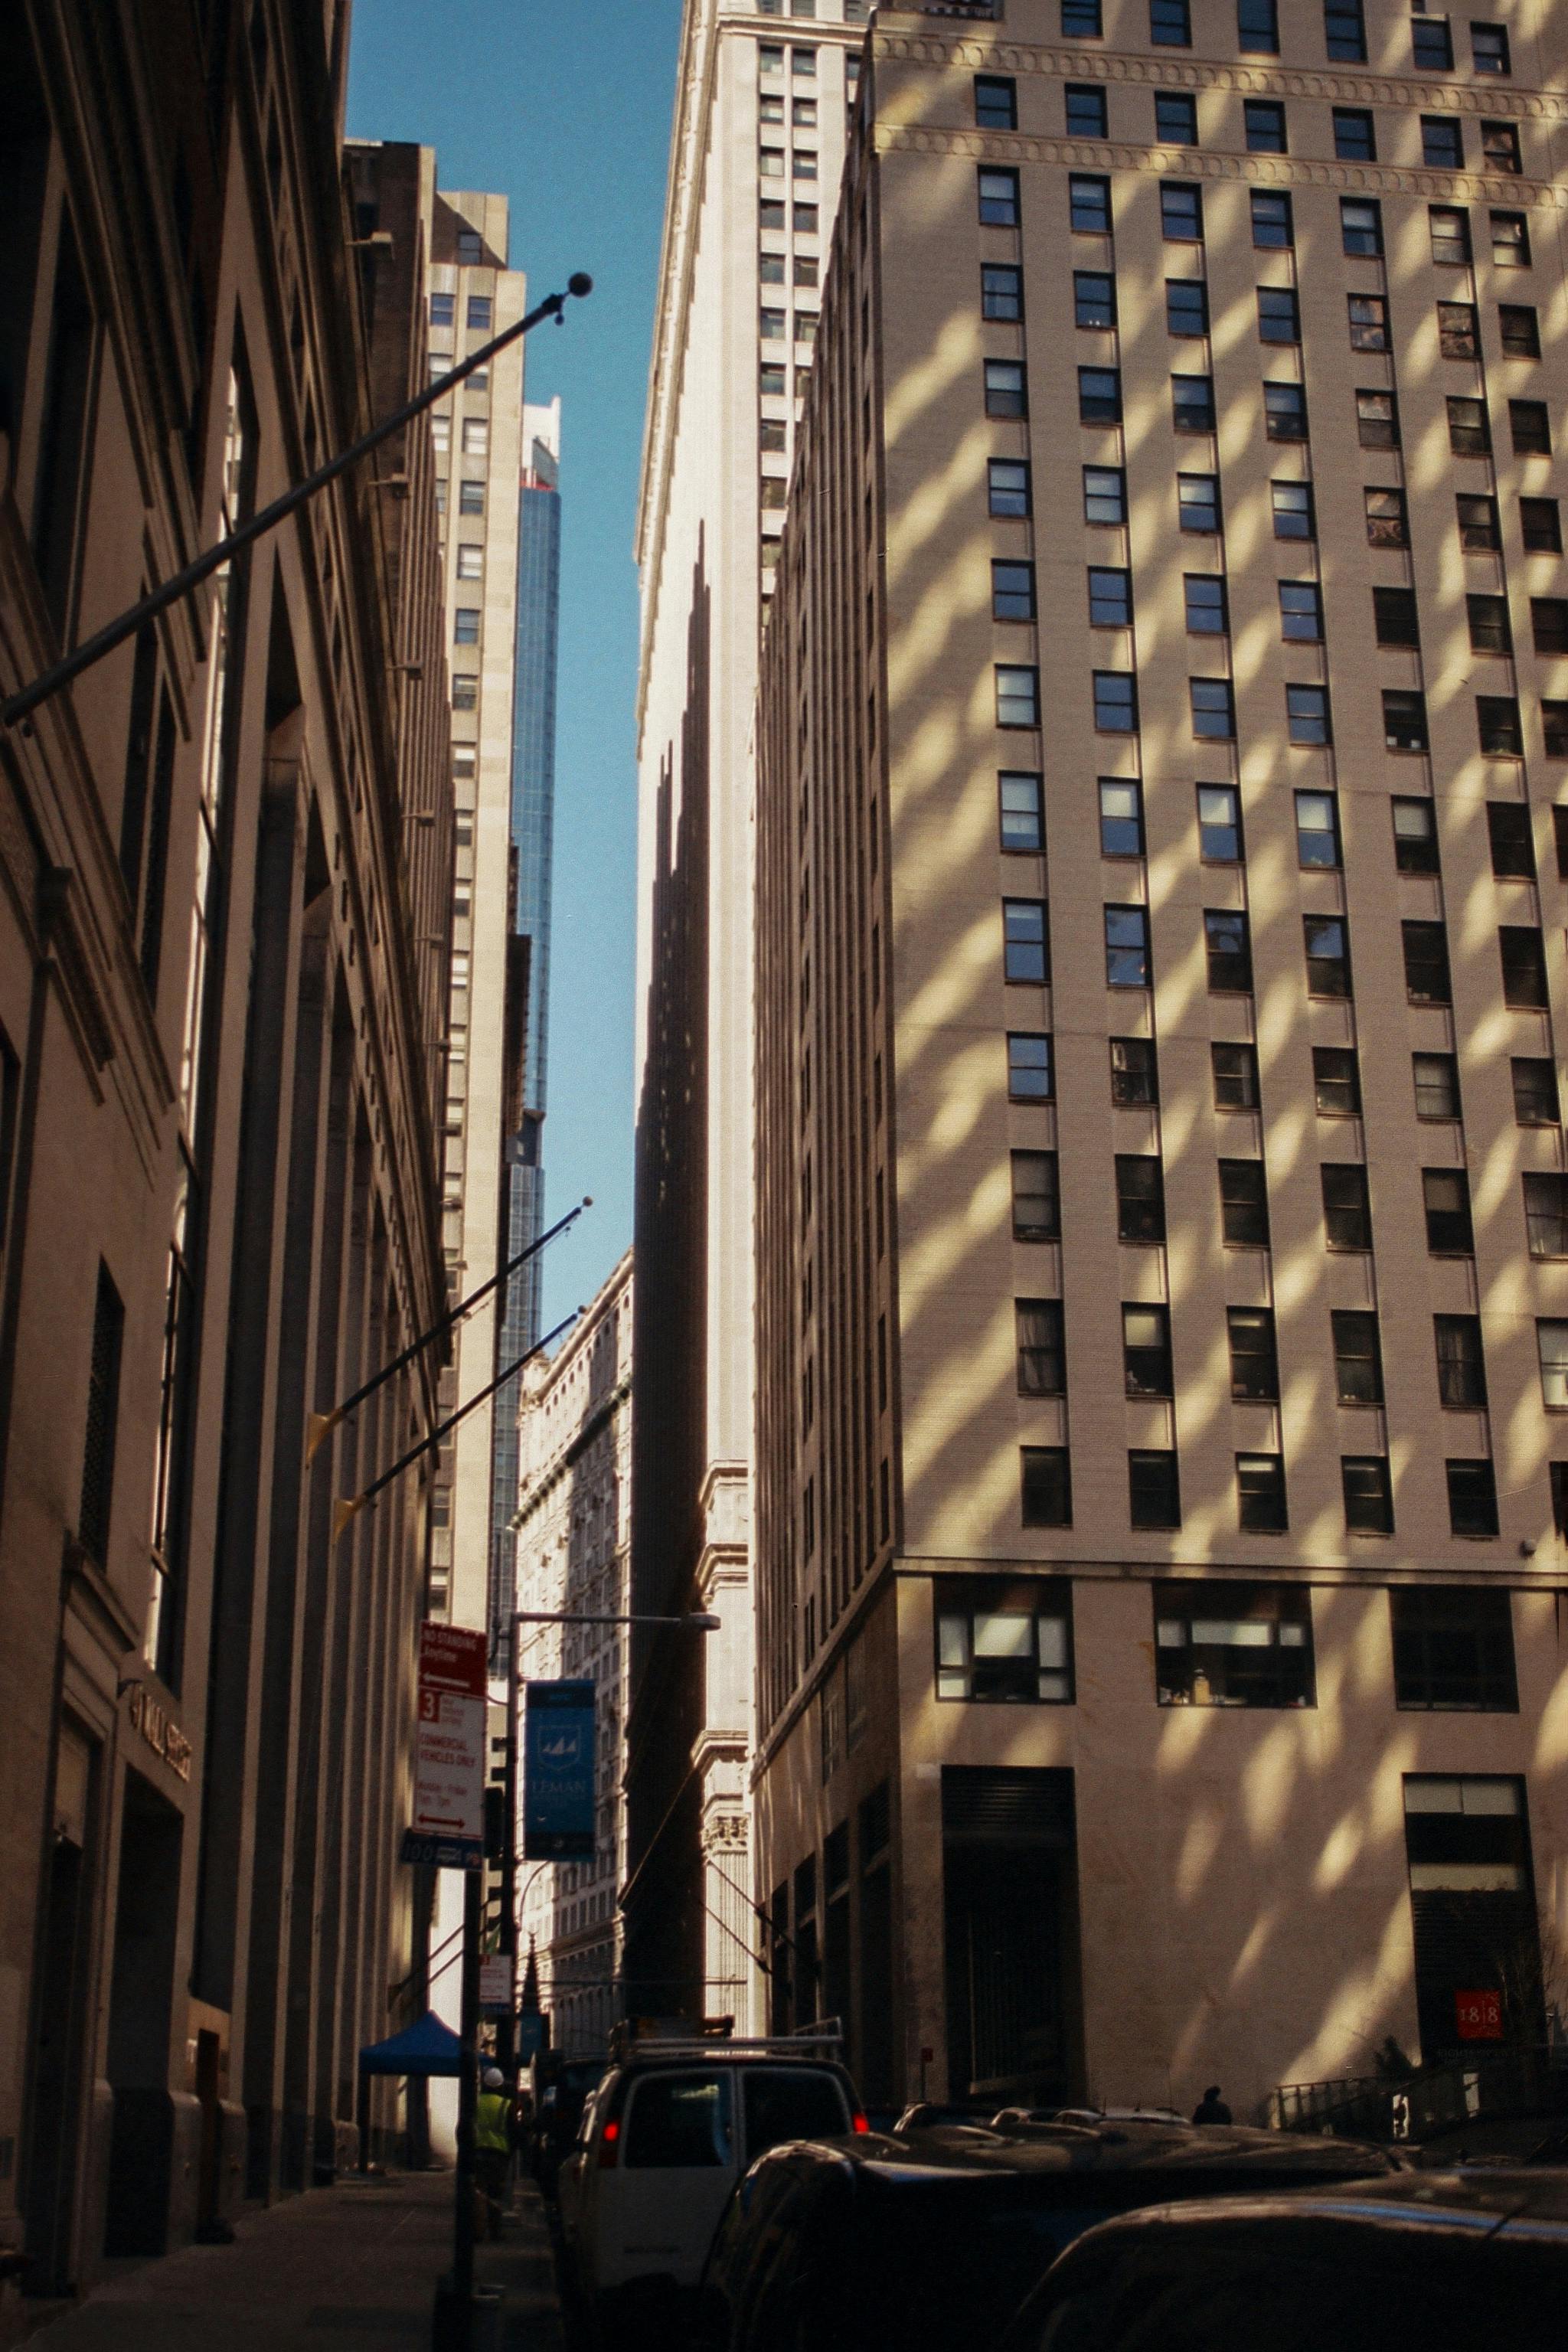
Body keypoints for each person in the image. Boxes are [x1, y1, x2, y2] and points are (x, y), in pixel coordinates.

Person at [475, 2066, 512, 2239]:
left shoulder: (476, 2102)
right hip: (499, 2154)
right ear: (501, 2085)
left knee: (479, 2192)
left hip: (478, 2152)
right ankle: (495, 2232)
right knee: (496, 2194)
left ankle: (478, 2229)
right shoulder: (506, 2105)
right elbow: (515, 2131)